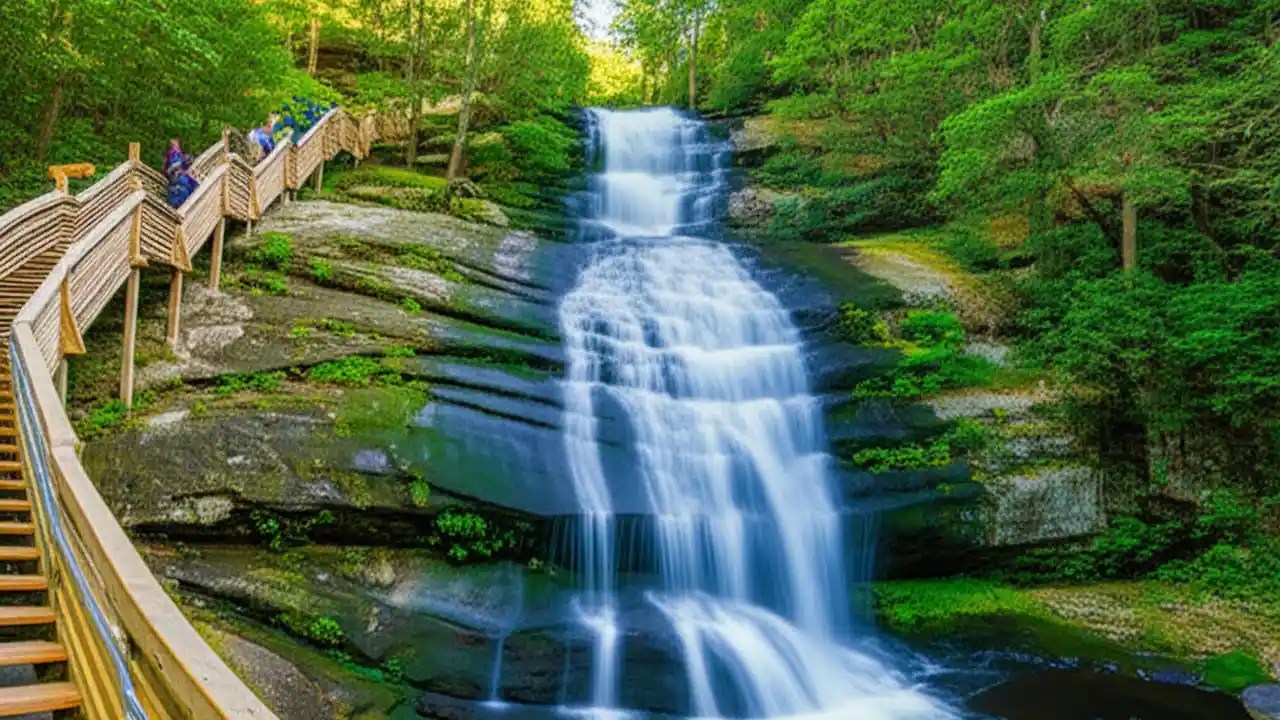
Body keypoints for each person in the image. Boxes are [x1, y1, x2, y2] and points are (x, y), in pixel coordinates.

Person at [164, 139, 199, 208]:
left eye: (175, 144)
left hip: (181, 184)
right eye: (173, 144)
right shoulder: (173, 154)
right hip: (177, 184)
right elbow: (169, 170)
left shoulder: (181, 156)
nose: (175, 146)